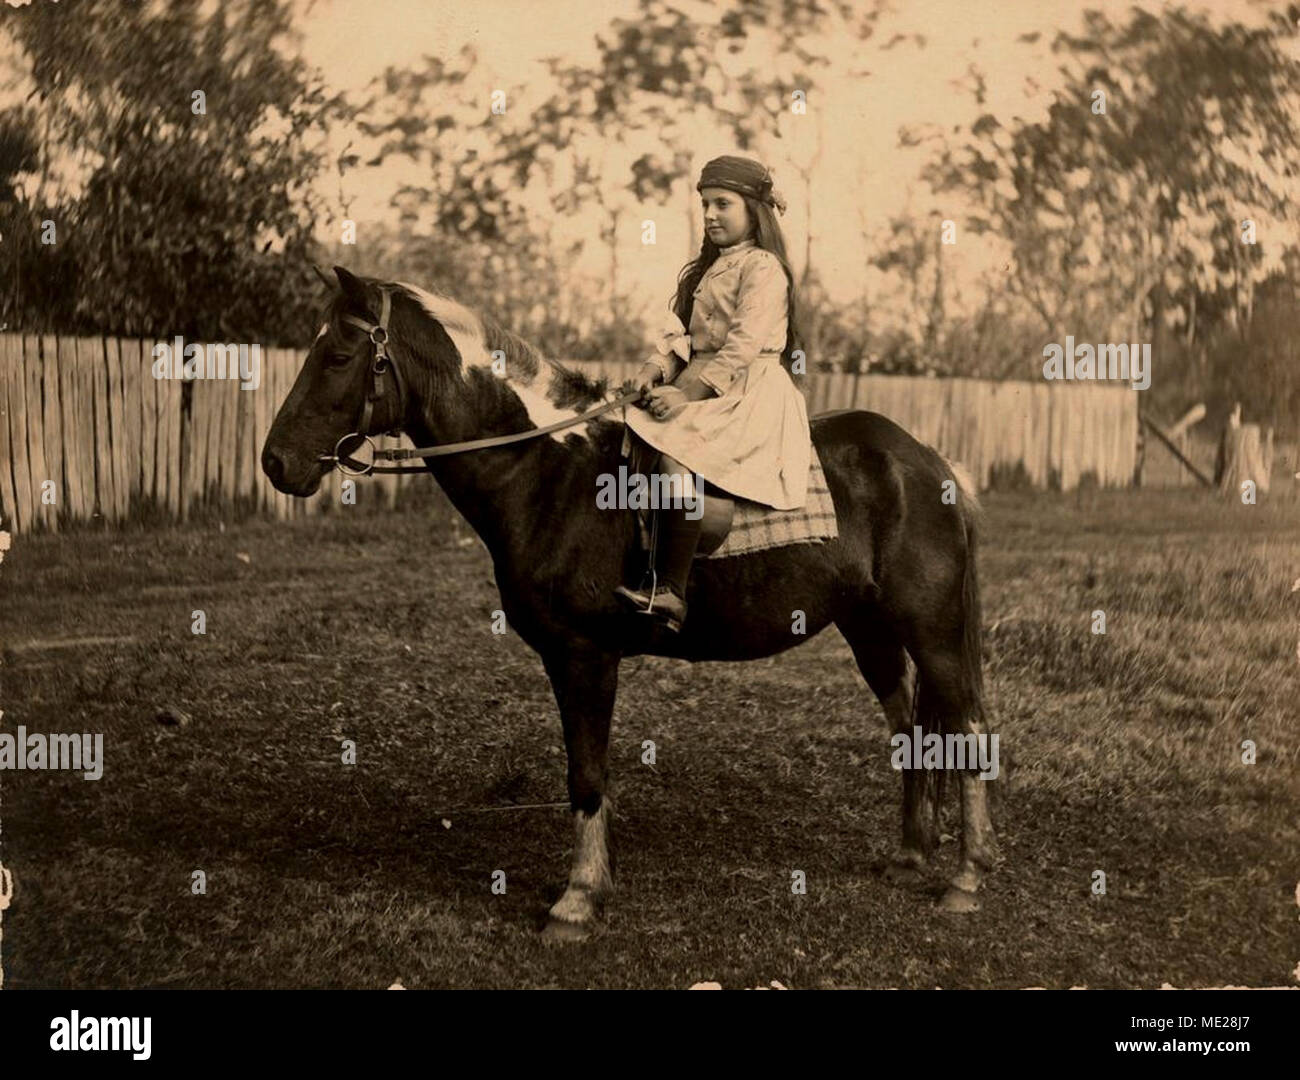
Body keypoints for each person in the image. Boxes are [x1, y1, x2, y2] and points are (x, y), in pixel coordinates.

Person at [615, 154, 812, 631]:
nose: (709, 215)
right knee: (621, 432)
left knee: (676, 453)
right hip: (699, 380)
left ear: (754, 211)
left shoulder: (764, 268)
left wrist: (688, 396)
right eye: (705, 204)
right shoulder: (705, 271)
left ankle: (671, 590)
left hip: (745, 390)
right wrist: (652, 371)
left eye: (722, 204)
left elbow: (744, 344)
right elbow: (678, 339)